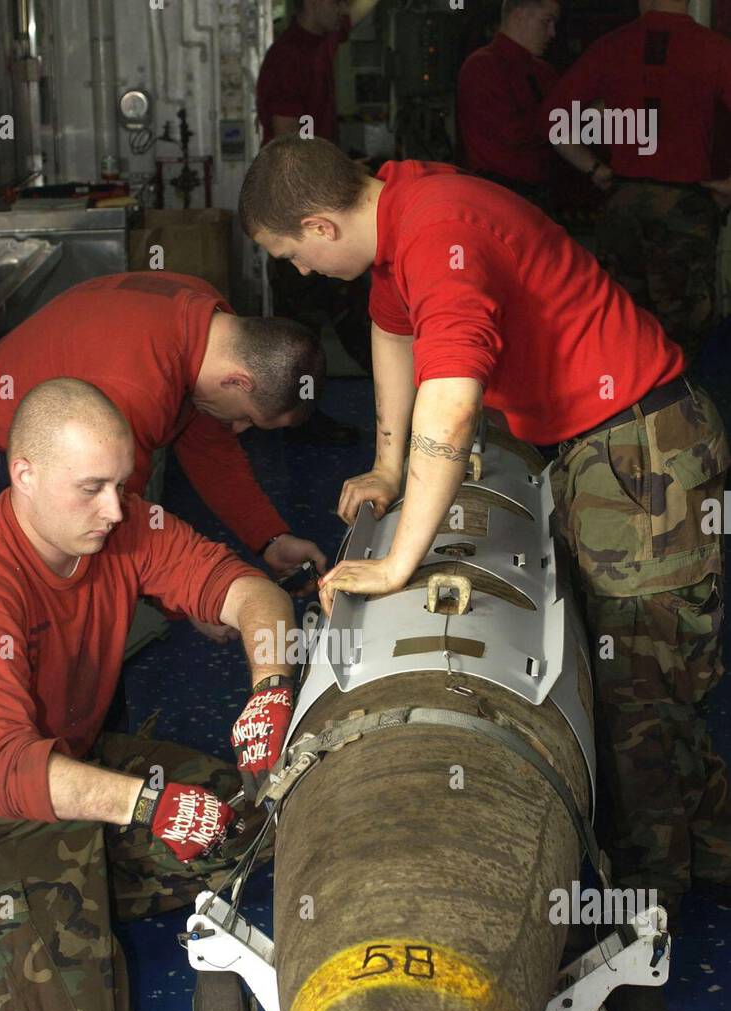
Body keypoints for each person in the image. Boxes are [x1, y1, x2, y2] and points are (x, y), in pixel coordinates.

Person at [238, 134, 731, 922]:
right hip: (601, 451)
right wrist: (388, 467)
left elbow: (454, 402)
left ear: (322, 227)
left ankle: (648, 910)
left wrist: (400, 560)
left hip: (643, 453)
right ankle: (696, 847)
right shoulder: (402, 206)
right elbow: (394, 333)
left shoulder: (439, 232)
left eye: (292, 254)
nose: (300, 272)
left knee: (645, 689)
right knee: (637, 680)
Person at [0, 379, 297, 1011]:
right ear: (24, 475)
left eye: (122, 483)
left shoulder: (124, 522)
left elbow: (248, 590)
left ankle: (79, 879)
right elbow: (0, 771)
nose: (115, 510)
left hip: (67, 760)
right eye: (91, 489)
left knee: (254, 824)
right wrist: (150, 806)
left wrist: (268, 690)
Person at [0, 272, 328, 592]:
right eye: (249, 419)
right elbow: (115, 522)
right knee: (44, 610)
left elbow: (210, 450)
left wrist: (270, 538)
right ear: (238, 381)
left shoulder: (205, 320)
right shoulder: (136, 390)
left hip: (5, 440)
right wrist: (189, 599)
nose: (238, 429)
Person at [545, 0, 731, 362]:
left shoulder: (612, 45)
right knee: (685, 327)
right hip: (683, 207)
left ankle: (631, 410)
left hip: (622, 200)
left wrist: (594, 169)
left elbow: (555, 119)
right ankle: (684, 411)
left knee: (623, 323)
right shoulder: (714, 49)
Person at [255, 0, 380, 443]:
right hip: (298, 214)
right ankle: (295, 423)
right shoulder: (287, 59)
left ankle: (409, 401)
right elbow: (292, 151)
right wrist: (340, 178)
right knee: (302, 334)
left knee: (347, 316)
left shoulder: (323, 39)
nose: (344, 8)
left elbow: (359, 12)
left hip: (321, 203)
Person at [457, 0, 562, 213]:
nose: (552, 33)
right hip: (500, 197)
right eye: (546, 22)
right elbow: (514, 133)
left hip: (536, 195)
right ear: (519, 16)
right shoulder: (483, 67)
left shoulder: (543, 72)